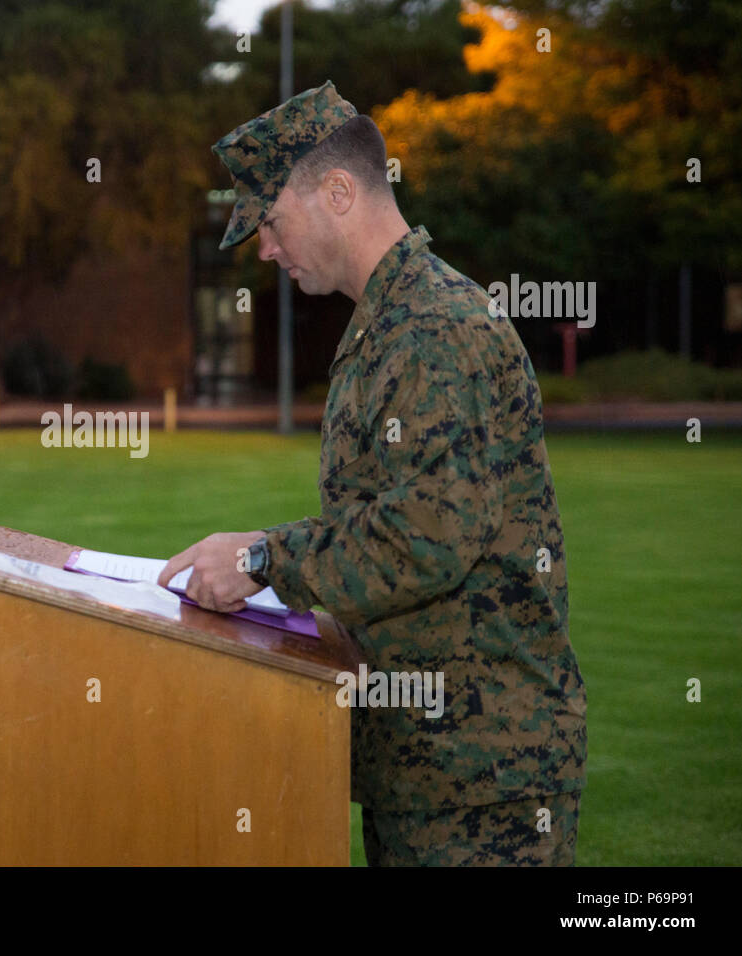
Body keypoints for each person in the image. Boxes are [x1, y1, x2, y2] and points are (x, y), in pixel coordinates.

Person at [159, 82, 587, 866]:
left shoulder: (434, 330)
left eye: (272, 223)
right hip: (431, 769)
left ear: (338, 192)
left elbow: (429, 535)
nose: (264, 248)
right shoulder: (391, 323)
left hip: (482, 780)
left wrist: (261, 559)